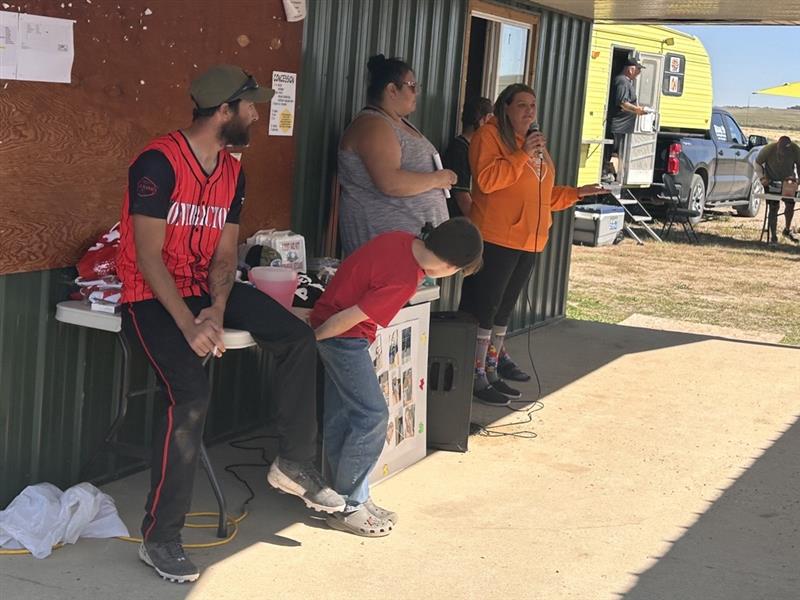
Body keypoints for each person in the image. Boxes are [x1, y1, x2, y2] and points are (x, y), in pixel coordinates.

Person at [116, 65, 345, 583]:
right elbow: (149, 258)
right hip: (149, 297)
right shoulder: (157, 162)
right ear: (224, 111)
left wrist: (216, 311)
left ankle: (293, 461)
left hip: (204, 289)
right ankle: (161, 538)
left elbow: (224, 254)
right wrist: (190, 324)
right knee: (190, 395)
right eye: (250, 105)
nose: (257, 114)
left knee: (295, 335)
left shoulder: (232, 170)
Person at [311, 219, 483, 536]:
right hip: (342, 337)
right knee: (373, 415)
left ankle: (344, 498)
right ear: (447, 265)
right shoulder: (405, 279)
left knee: (341, 415)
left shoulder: (398, 239)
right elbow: (351, 317)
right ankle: (351, 503)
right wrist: (314, 340)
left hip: (338, 329)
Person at [459, 83, 604, 406]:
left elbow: (543, 195)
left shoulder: (534, 144)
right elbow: (487, 180)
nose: (529, 112)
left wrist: (578, 193)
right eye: (522, 105)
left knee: (503, 311)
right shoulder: (490, 137)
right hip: (497, 236)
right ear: (505, 108)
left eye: (533, 106)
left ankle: (492, 370)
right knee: (485, 307)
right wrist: (521, 156)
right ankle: (473, 375)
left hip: (531, 239)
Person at [337, 54, 457, 256]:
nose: (416, 92)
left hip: (413, 249)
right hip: (386, 252)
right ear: (392, 90)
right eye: (412, 85)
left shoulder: (396, 123)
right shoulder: (374, 125)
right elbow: (390, 182)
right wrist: (437, 179)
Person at [442, 96, 494, 217]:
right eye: (491, 120)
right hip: (459, 223)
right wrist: (477, 225)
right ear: (483, 120)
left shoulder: (474, 148)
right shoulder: (460, 149)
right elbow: (462, 196)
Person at [603, 54, 649, 181]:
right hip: (617, 125)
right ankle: (605, 173)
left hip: (622, 126)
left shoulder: (626, 81)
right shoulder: (622, 81)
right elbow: (622, 102)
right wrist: (637, 110)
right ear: (631, 69)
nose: (639, 73)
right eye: (638, 70)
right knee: (610, 150)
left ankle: (611, 173)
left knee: (615, 151)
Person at [755, 135, 800, 244]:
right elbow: (757, 163)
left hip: (788, 183)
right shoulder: (769, 149)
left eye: (785, 151)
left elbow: (799, 164)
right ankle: (773, 235)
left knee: (790, 205)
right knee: (773, 207)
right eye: (781, 151)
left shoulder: (795, 149)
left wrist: (798, 179)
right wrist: (762, 178)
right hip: (772, 182)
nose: (782, 153)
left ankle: (787, 229)